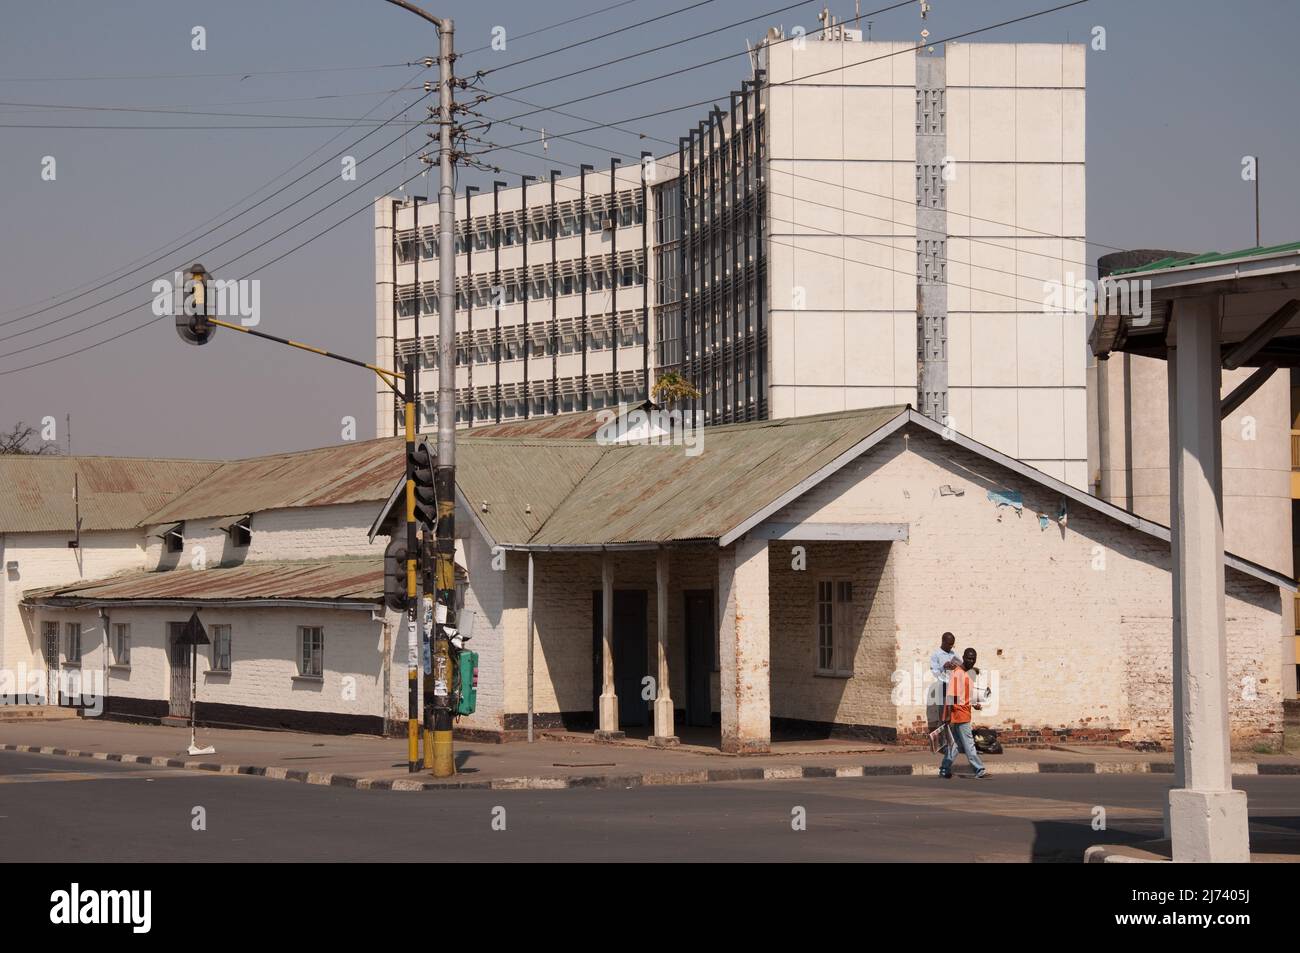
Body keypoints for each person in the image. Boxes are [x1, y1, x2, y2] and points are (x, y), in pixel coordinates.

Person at [940, 647, 989, 779]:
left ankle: (944, 769)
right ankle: (979, 769)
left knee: (955, 745)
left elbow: (964, 695)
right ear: (963, 657)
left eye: (973, 659)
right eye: (968, 658)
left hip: (964, 711)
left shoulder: (967, 674)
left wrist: (974, 704)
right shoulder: (958, 673)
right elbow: (951, 696)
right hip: (960, 713)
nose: (971, 661)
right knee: (969, 743)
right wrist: (948, 715)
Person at [927, 632, 959, 730]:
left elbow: (961, 666)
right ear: (943, 642)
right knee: (944, 715)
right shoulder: (936, 655)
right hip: (943, 687)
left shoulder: (954, 654)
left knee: (955, 713)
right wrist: (943, 667)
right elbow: (934, 672)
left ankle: (954, 739)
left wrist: (956, 667)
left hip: (954, 686)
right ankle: (944, 741)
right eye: (949, 644)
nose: (951, 646)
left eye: (952, 644)